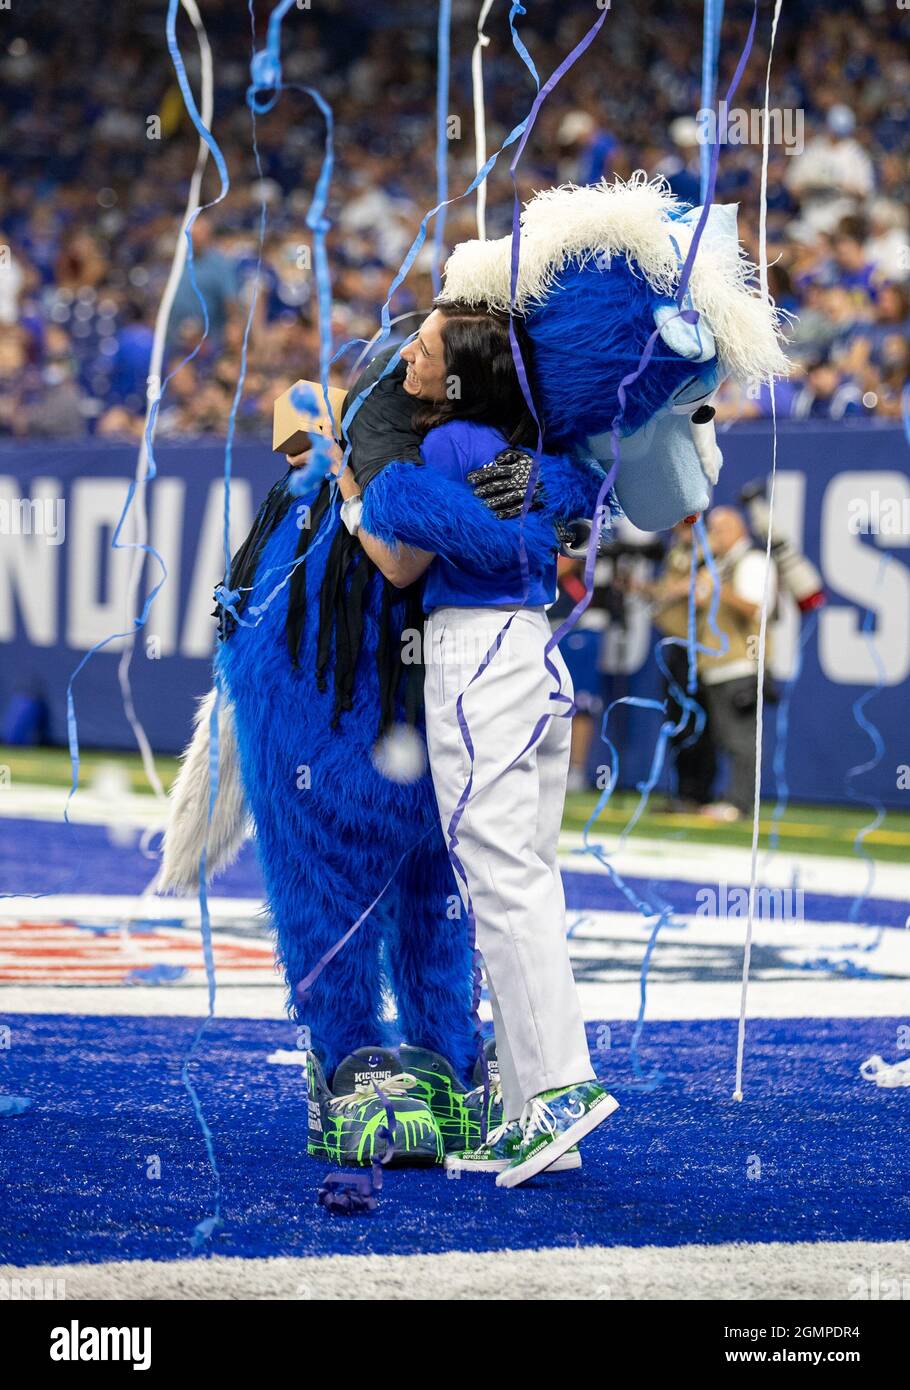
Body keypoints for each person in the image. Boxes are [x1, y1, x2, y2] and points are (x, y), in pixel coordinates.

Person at [336, 301, 620, 1189]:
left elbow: (398, 561)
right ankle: (539, 1108)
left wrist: (347, 485)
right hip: (534, 653)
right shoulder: (511, 446)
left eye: (420, 348)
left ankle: (563, 1090)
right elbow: (562, 507)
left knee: (500, 883)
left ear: (457, 372)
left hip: (477, 657)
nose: (405, 358)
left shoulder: (452, 442)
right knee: (527, 875)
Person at [695, 507, 778, 823]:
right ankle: (731, 797)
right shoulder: (721, 564)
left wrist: (718, 587)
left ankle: (741, 803)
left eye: (719, 530)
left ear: (738, 530)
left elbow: (757, 610)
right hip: (717, 664)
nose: (713, 537)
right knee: (726, 737)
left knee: (742, 738)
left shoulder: (752, 561)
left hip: (742, 662)